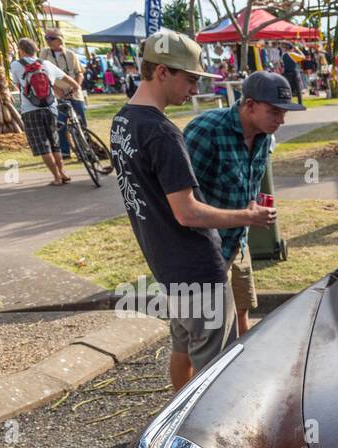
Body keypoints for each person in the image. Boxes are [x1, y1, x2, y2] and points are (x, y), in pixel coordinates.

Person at [110, 29, 275, 389]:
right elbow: (188, 212)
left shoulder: (123, 121)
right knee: (215, 377)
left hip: (167, 264)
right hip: (198, 268)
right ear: (162, 72)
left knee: (183, 343)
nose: (194, 90)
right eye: (190, 79)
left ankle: (174, 426)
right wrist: (247, 217)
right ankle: (199, 440)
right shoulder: (163, 133)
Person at [185, 71, 301, 339]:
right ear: (249, 105)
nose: (282, 119)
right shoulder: (205, 131)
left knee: (241, 314)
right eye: (274, 111)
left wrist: (254, 212)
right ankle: (189, 384)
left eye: (284, 112)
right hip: (203, 251)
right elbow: (181, 201)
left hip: (238, 244)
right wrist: (246, 216)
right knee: (197, 340)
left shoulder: (264, 137)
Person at [8, 38, 80, 186]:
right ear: (36, 50)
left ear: (21, 51)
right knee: (54, 142)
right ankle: (62, 173)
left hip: (30, 110)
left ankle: (56, 177)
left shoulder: (16, 65)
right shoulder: (46, 64)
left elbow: (16, 84)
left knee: (43, 145)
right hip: (50, 107)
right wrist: (74, 89)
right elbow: (70, 80)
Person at [40, 29, 85, 163]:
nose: (48, 41)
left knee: (81, 123)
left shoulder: (71, 54)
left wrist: (75, 87)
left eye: (51, 38)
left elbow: (79, 73)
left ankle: (85, 150)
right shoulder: (44, 53)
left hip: (75, 94)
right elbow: (42, 75)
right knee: (60, 124)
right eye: (46, 38)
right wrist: (55, 89)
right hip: (57, 95)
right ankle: (65, 152)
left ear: (60, 40)